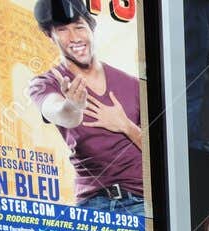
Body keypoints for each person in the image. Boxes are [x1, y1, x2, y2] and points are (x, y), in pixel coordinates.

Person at [26, 0, 144, 215]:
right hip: (92, 205)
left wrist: (126, 126)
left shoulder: (133, 85)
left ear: (91, 28)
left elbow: (164, 154)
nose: (74, 37)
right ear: (50, 36)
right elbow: (61, 113)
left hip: (142, 202)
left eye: (79, 27)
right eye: (63, 30)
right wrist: (73, 106)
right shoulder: (46, 83)